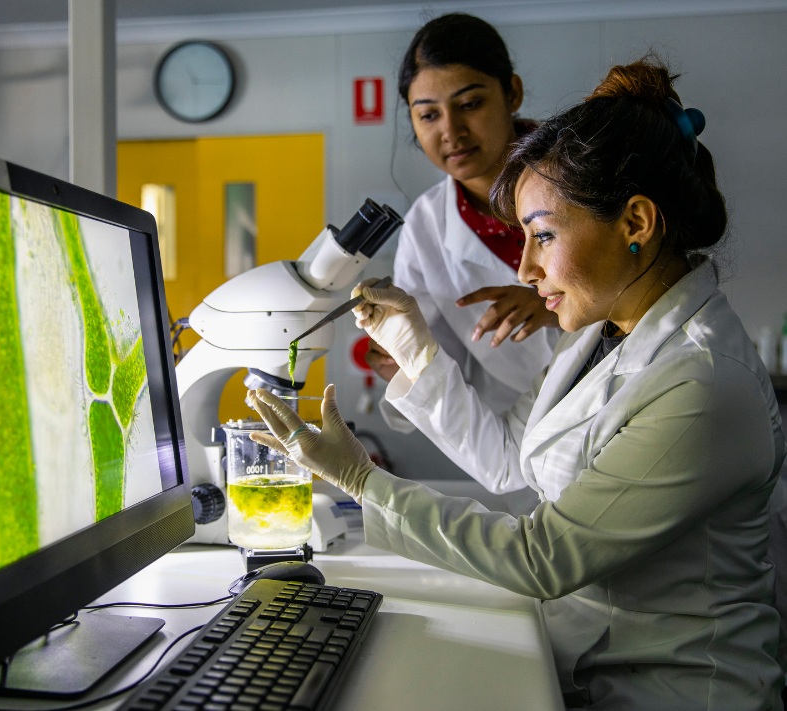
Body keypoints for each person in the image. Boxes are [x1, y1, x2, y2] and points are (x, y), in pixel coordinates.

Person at [249, 59, 786, 710]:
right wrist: (417, 353)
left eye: (542, 236)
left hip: (669, 691)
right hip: (583, 660)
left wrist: (362, 480)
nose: (526, 268)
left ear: (636, 223)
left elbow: (542, 556)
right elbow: (512, 456)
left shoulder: (701, 380)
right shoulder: (596, 335)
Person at [372, 14, 559, 491]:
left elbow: (645, 293)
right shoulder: (427, 227)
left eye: (470, 103)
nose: (450, 131)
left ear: (512, 92)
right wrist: (404, 361)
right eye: (428, 114)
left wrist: (555, 306)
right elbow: (442, 365)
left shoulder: (582, 179)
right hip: (521, 454)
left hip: (627, 414)